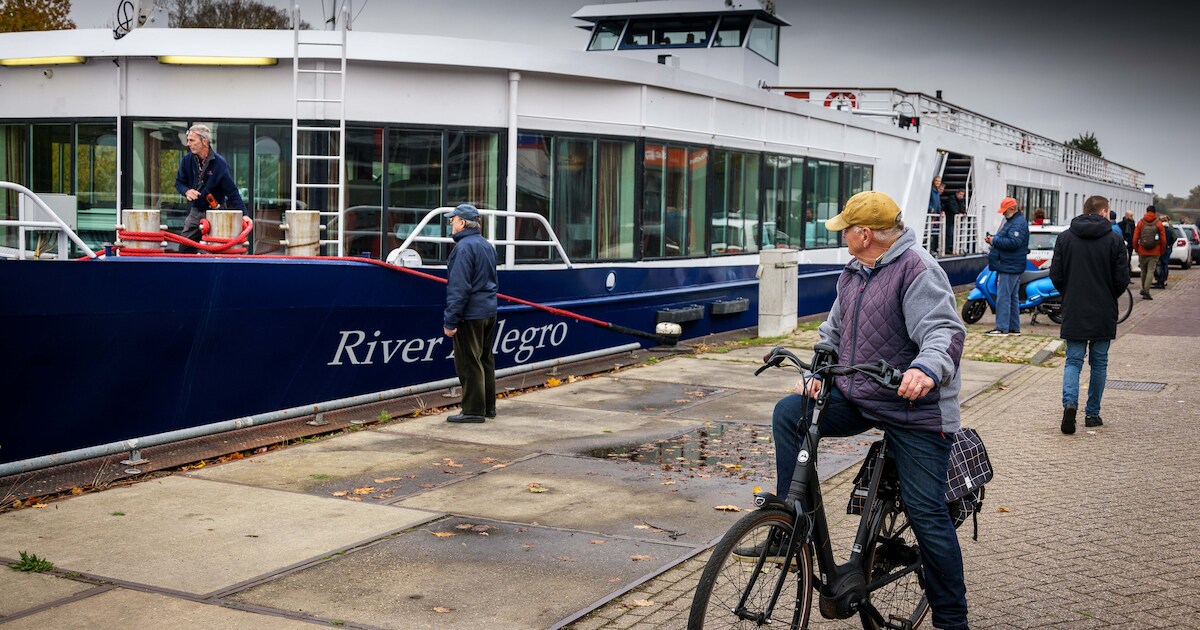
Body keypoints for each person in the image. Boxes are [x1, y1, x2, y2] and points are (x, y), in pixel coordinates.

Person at [752, 190, 970, 630]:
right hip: (858, 395)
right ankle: (791, 529)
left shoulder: (918, 270)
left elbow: (945, 331)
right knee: (788, 413)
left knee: (925, 511)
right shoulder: (854, 271)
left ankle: (952, 618)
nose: (842, 236)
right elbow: (833, 332)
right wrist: (817, 372)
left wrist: (925, 370)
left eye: (845, 229)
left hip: (915, 407)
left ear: (864, 234)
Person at [1049, 196, 1129, 434]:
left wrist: (1069, 293)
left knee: (1073, 361)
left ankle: (1070, 403)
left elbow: (1056, 275)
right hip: (1103, 310)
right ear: (1104, 212)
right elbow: (1122, 279)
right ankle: (1092, 415)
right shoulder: (1115, 240)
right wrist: (1108, 294)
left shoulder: (1065, 238)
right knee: (1099, 363)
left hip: (1074, 308)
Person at [442, 204, 499, 423]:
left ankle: (473, 411)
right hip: (489, 310)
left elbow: (459, 287)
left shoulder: (463, 248)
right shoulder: (486, 245)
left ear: (463, 223)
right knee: (485, 359)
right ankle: (488, 407)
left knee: (468, 361)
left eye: (453, 219)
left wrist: (451, 319)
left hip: (471, 313)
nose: (451, 223)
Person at [174, 124, 247, 253]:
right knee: (184, 247)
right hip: (196, 211)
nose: (188, 144)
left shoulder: (220, 164)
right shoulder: (187, 160)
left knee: (219, 249)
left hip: (217, 212)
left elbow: (232, 193)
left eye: (192, 140)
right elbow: (179, 183)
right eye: (188, 140)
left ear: (204, 141)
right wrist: (186, 191)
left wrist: (245, 215)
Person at [984, 197, 1029, 336]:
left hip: (1009, 265)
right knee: (1012, 297)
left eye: (1005, 211)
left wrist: (994, 240)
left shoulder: (1016, 223)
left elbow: (1013, 242)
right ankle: (1013, 327)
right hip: (1012, 264)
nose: (1003, 214)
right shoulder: (1015, 221)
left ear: (1013, 209)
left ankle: (1002, 328)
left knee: (1003, 297)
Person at [1132, 206, 1165, 299]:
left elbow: (1135, 238)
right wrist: (1161, 251)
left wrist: (1137, 249)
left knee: (1143, 271)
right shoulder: (1158, 223)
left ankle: (1143, 289)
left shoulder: (1141, 223)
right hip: (1155, 252)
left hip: (1142, 250)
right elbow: (1163, 239)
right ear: (1155, 212)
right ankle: (1146, 290)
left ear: (1146, 212)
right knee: (1151, 271)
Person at [1153, 214, 1174, 289]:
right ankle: (1163, 280)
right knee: (1165, 265)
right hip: (1167, 249)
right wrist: (1170, 245)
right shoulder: (1169, 230)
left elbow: (1157, 239)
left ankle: (1160, 281)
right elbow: (1173, 238)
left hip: (1161, 249)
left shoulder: (1160, 229)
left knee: (1159, 265)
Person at [942, 189, 965, 254]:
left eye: (962, 195)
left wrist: (963, 212)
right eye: (960, 194)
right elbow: (951, 207)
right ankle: (946, 248)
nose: (961, 196)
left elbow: (961, 208)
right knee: (948, 234)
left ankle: (949, 248)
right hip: (948, 219)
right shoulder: (951, 199)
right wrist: (958, 213)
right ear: (957, 193)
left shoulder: (960, 201)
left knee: (951, 234)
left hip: (953, 220)